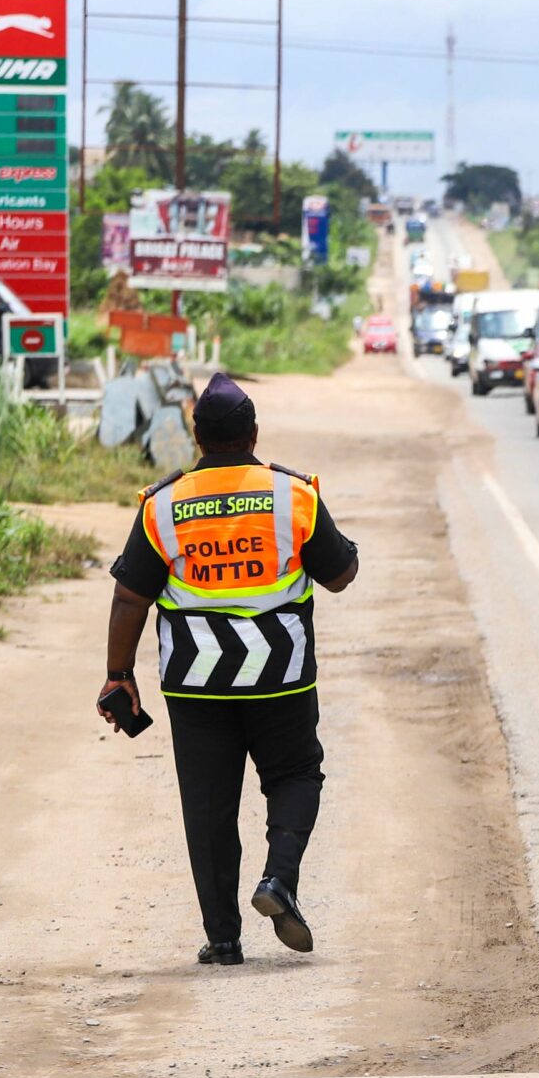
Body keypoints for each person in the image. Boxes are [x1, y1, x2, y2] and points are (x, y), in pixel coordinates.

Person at [97, 374, 360, 965]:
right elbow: (340, 576)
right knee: (295, 776)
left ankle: (223, 938)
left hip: (196, 683)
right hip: (281, 677)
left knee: (208, 806)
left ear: (197, 437)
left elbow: (129, 597)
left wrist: (120, 675)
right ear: (253, 434)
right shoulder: (293, 497)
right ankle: (278, 880)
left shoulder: (164, 504)